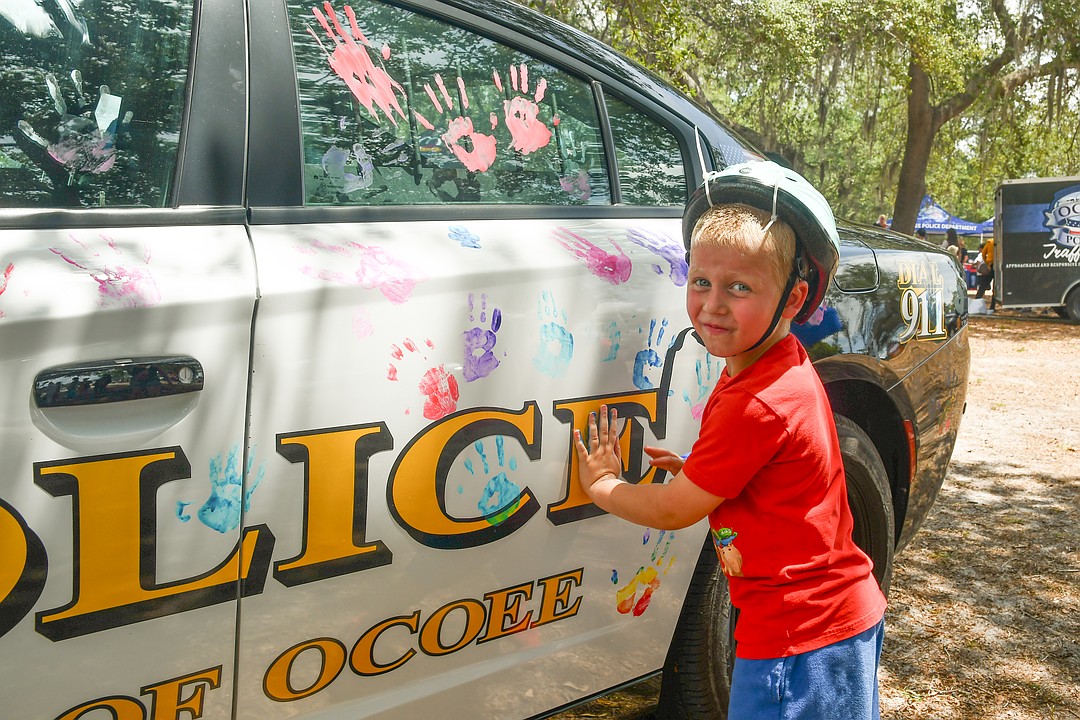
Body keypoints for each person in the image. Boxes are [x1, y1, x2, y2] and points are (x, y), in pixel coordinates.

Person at [574, 161, 887, 720]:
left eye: (740, 287)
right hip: (833, 623)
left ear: (794, 299)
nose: (713, 304)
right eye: (701, 282)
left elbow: (673, 510)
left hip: (798, 641)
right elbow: (771, 464)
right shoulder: (773, 362)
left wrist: (604, 486)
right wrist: (701, 469)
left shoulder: (756, 401)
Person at [975, 236, 996, 311]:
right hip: (999, 265)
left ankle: (976, 304)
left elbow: (983, 253)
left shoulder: (990, 242)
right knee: (995, 287)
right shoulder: (1002, 242)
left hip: (990, 265)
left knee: (983, 285)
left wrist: (987, 263)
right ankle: (992, 306)